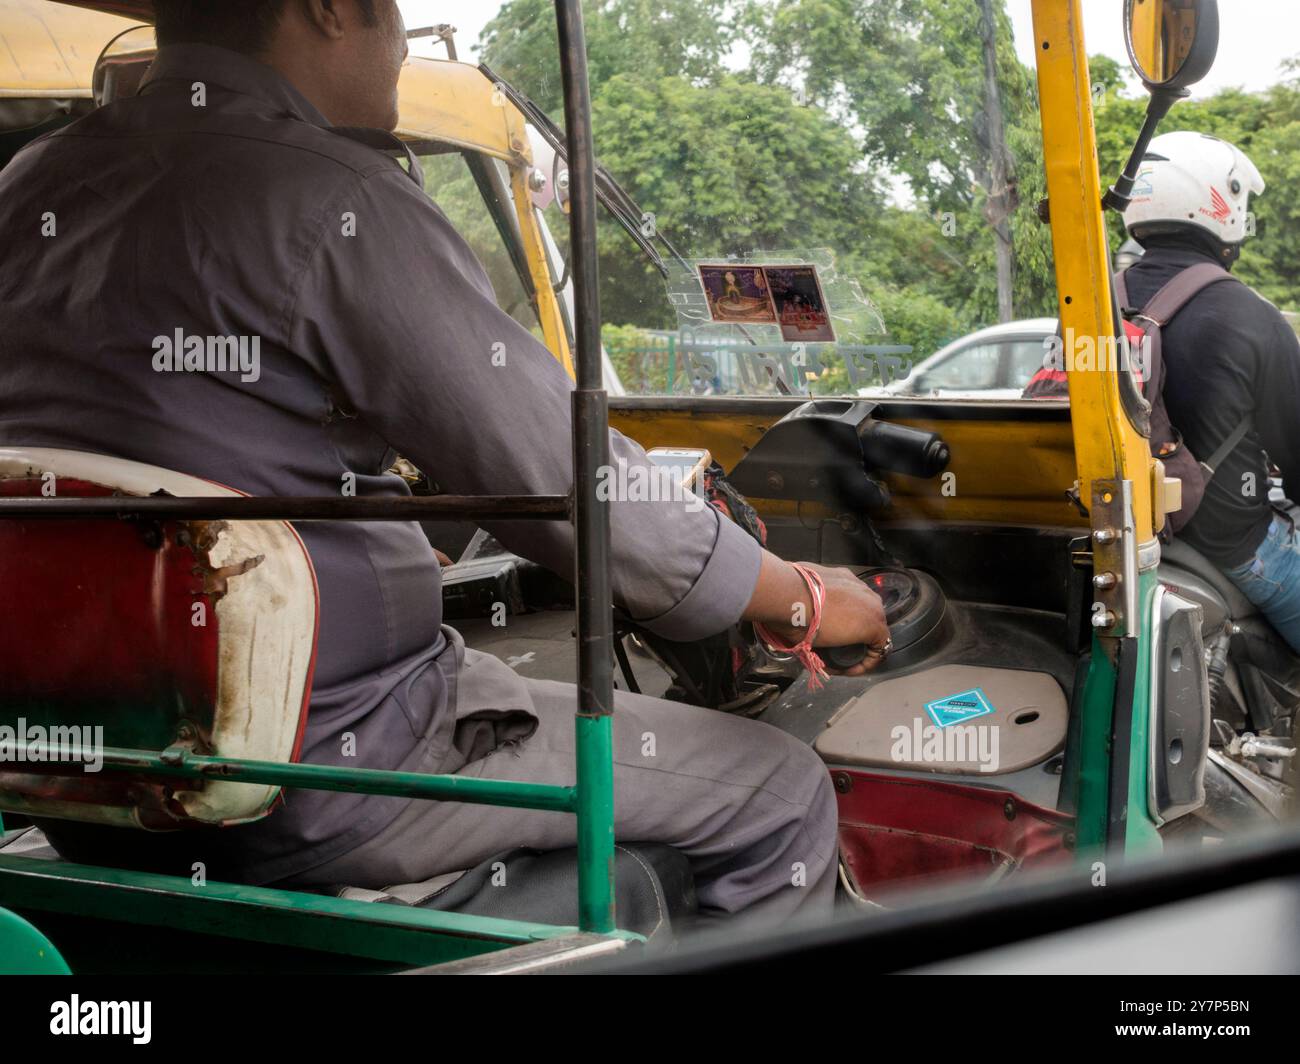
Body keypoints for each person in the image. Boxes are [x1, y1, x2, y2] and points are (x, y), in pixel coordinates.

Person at [0, 0, 889, 924]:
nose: (399, 53)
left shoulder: (30, 186)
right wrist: (804, 597)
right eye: (393, 14)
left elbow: (151, 450)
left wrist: (352, 553)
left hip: (74, 771)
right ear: (335, 8)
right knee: (781, 794)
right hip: (326, 765)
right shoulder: (329, 194)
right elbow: (571, 487)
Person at [1121, 131, 1300, 652]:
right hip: (1231, 544)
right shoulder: (1251, 315)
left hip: (1120, 534)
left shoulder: (1092, 302)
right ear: (1220, 203)